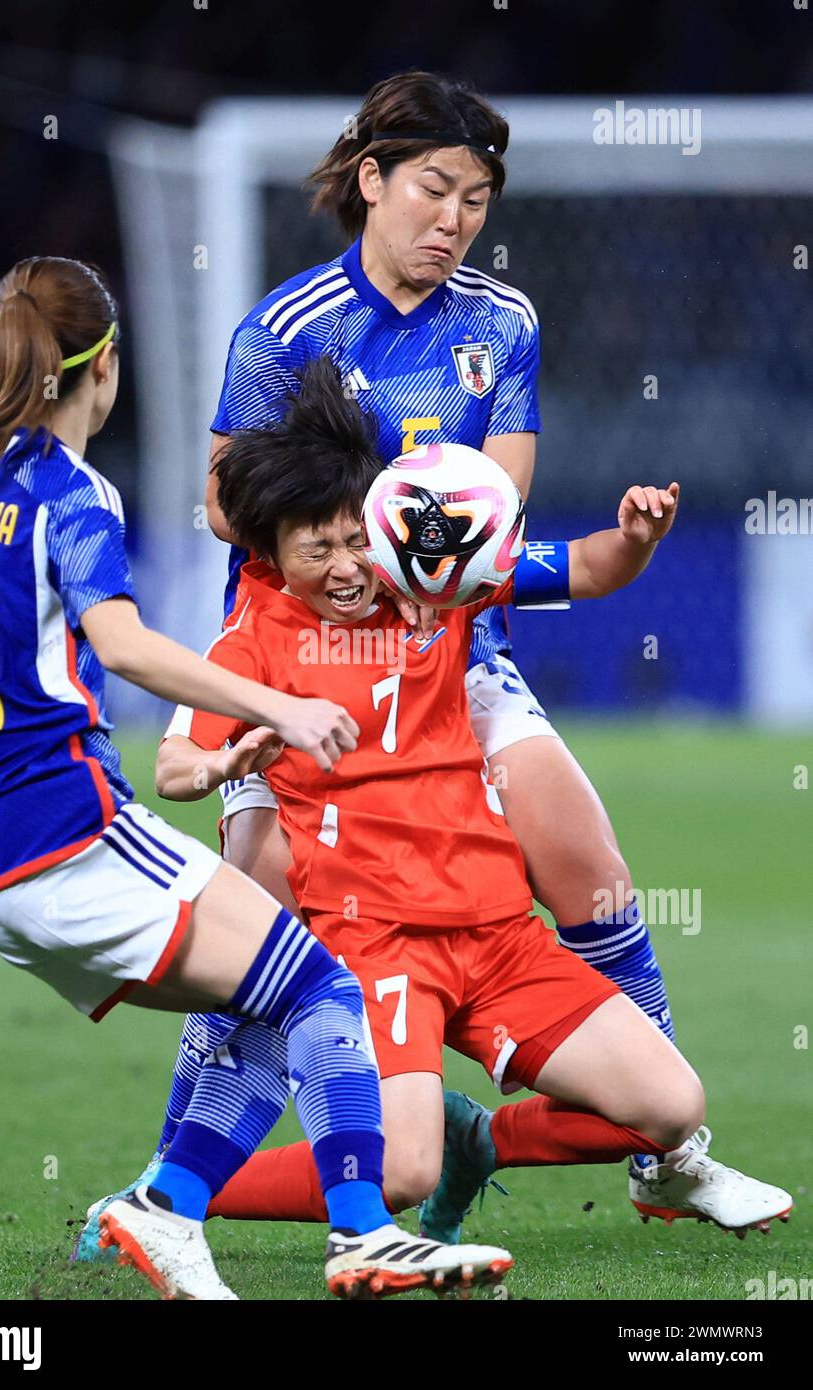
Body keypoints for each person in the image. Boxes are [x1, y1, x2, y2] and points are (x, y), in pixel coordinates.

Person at [74, 69, 786, 1260]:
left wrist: (438, 546)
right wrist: (347, 540)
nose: (452, 218)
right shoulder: (287, 332)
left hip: (447, 631)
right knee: (262, 893)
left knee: (585, 857)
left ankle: (663, 1145)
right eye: (432, 189)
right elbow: (215, 503)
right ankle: (170, 1185)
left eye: (474, 198)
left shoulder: (499, 321)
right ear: (371, 183)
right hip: (298, 648)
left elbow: (494, 513)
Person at [0, 257, 516, 1301]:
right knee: (320, 981)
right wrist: (278, 706)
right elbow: (124, 644)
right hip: (70, 831)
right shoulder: (72, 492)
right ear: (109, 370)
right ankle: (358, 1232)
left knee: (263, 997)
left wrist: (225, 754)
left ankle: (170, 1203)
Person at [148, 358, 789, 1240]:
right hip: (378, 947)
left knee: (669, 1106)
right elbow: (173, 766)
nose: (346, 568)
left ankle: (481, 1142)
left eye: (354, 540)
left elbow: (586, 571)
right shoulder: (250, 647)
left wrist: (636, 538)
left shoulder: (432, 577)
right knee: (401, 1172)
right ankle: (166, 1202)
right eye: (316, 549)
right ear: (270, 553)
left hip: (497, 935)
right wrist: (234, 760)